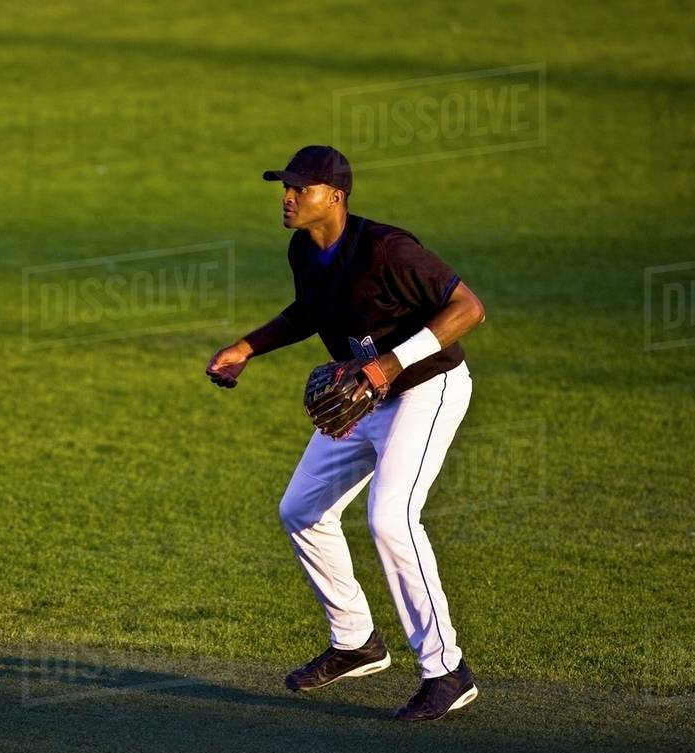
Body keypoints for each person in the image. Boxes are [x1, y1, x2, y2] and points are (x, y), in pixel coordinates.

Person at [205, 145, 487, 721]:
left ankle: (446, 671)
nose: (286, 198)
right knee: (301, 509)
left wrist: (389, 365)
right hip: (363, 395)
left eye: (298, 189)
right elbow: (307, 312)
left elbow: (467, 308)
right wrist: (245, 348)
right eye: (284, 187)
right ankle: (355, 640)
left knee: (390, 519)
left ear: (333, 196)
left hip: (426, 390)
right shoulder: (303, 251)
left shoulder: (387, 249)